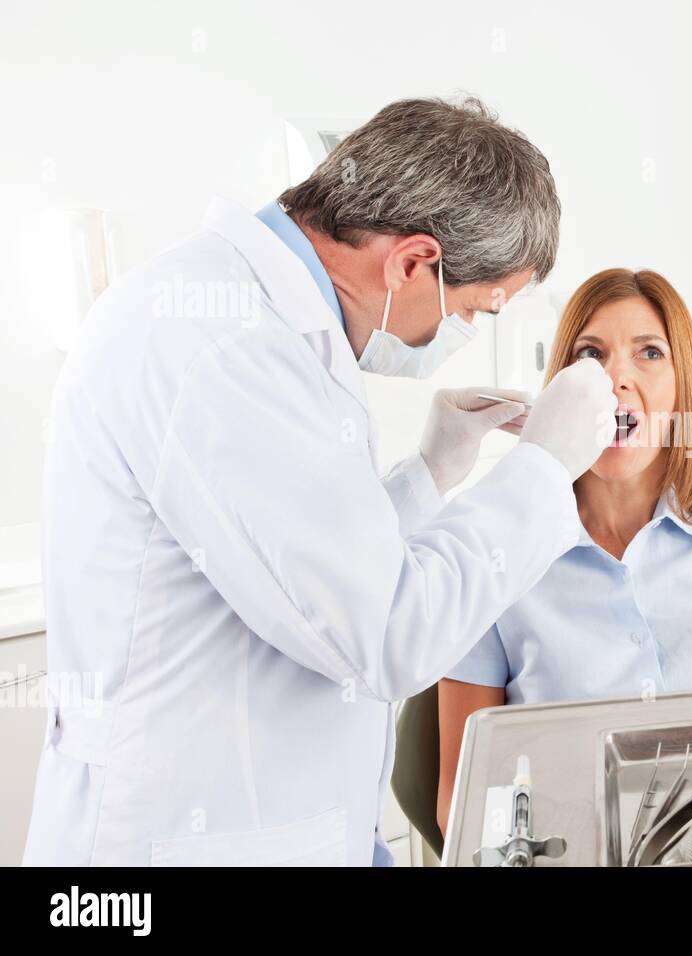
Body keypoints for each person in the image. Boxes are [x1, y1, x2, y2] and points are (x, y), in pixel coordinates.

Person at [25, 97, 616, 866]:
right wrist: (542, 469)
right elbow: (388, 632)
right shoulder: (228, 343)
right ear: (412, 262)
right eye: (473, 310)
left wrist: (429, 476)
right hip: (187, 840)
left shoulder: (262, 322)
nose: (458, 335)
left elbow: (305, 566)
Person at [436, 269, 692, 834]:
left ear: (682, 387)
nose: (616, 376)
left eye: (649, 353)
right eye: (591, 354)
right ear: (562, 384)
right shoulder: (498, 559)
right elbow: (462, 799)